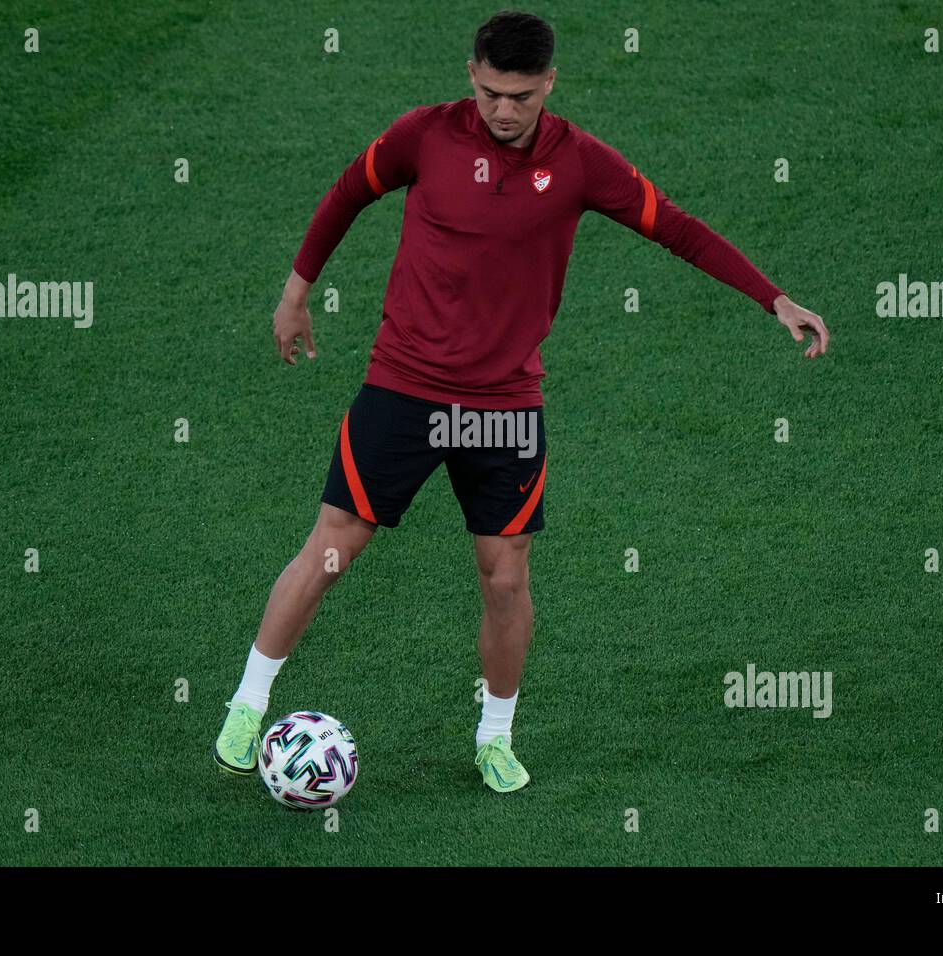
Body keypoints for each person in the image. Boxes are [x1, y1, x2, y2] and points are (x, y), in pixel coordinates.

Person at [215, 10, 829, 793]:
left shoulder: (581, 164)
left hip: (504, 406)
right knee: (332, 548)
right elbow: (347, 193)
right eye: (491, 92)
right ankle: (247, 704)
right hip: (403, 386)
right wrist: (297, 291)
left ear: (550, 84)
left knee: (505, 578)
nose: (504, 110)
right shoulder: (423, 136)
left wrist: (771, 298)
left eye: (521, 96)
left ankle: (495, 737)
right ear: (470, 73)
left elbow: (675, 227)